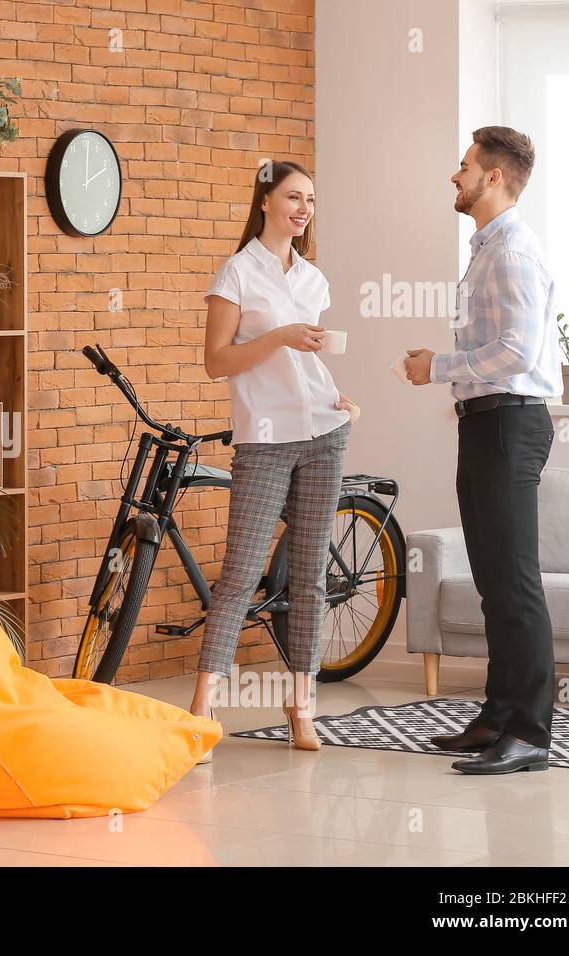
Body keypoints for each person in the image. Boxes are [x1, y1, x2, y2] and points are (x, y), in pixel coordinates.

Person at [189, 160, 360, 760]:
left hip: (323, 429)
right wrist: (281, 336)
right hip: (263, 437)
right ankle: (202, 709)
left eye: (310, 199)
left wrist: (335, 392)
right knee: (240, 573)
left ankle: (300, 709)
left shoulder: (314, 279)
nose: (303, 208)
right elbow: (217, 361)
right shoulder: (236, 273)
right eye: (293, 196)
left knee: (310, 575)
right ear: (265, 200)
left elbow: (306, 359)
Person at [404, 126, 560, 775]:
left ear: (493, 176)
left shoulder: (512, 252)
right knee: (496, 582)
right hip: (487, 420)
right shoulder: (486, 248)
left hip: (509, 421)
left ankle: (529, 733)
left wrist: (437, 366)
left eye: (464, 165)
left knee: (514, 583)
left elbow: (518, 354)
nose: (455, 174)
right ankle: (497, 717)